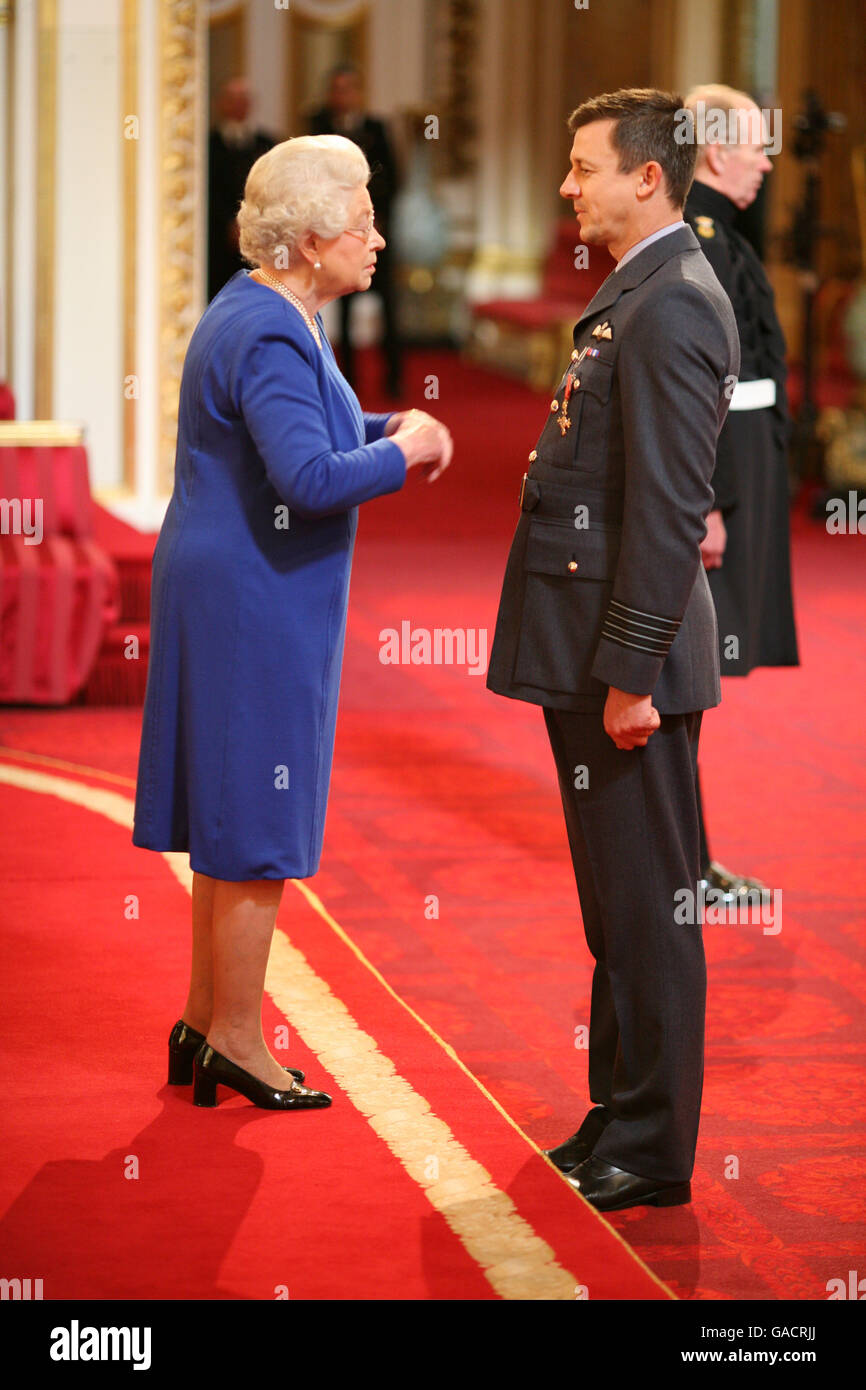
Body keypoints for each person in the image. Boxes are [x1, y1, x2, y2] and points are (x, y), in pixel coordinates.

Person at [133, 135, 452, 1111]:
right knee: (255, 822)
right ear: (310, 239)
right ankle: (234, 1034)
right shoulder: (273, 329)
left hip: (235, 586)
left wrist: (381, 431)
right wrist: (410, 451)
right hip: (252, 602)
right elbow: (307, 479)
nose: (376, 238)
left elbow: (303, 437)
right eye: (360, 221)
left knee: (230, 817)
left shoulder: (264, 310)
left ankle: (203, 1019)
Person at [486, 89, 739, 1211]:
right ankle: (617, 1113)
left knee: (649, 905)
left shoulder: (671, 302)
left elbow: (669, 511)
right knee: (615, 908)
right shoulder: (640, 289)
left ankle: (652, 1145)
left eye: (582, 167)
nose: (565, 186)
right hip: (591, 652)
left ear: (645, 177)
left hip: (621, 664)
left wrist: (632, 673)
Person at [683, 84, 799, 902]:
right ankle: (682, 866)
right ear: (718, 151)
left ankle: (689, 857)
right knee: (688, 678)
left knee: (698, 683)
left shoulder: (720, 229)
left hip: (742, 470)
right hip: (725, 477)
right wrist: (712, 500)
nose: (766, 160)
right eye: (757, 145)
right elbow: (706, 382)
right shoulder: (705, 233)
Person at [309, 65, 404, 396]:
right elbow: (313, 180)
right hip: (337, 234)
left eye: (348, 88)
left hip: (375, 227)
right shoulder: (318, 127)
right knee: (344, 305)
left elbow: (392, 178)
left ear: (358, 93)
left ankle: (394, 380)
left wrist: (370, 221)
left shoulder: (376, 128)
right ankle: (345, 380)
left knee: (390, 306)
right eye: (336, 89)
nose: (342, 95)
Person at [207, 77, 275, 302]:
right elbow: (209, 190)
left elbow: (271, 188)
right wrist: (229, 222)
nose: (237, 105)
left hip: (257, 235)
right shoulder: (208, 144)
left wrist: (250, 221)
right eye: (231, 99)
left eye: (242, 99)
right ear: (220, 103)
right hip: (218, 238)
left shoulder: (267, 144)